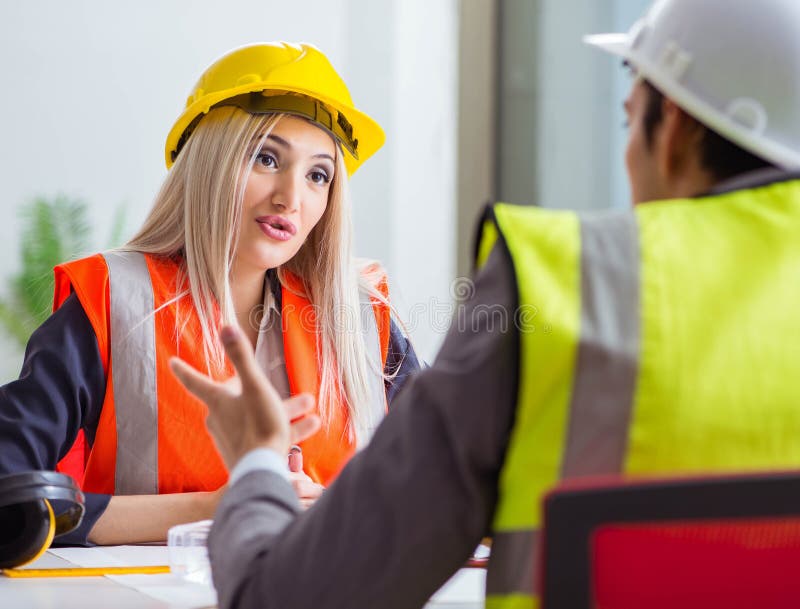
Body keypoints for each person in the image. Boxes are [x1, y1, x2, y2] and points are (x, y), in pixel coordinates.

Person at [171, 1, 800, 608]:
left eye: (628, 120)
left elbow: (291, 597)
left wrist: (257, 463)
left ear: (676, 134)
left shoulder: (563, 279)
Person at [0, 42, 419, 547]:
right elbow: (11, 494)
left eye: (318, 174)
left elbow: (447, 484)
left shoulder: (362, 318)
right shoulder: (113, 300)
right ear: (209, 163)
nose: (291, 196)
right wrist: (217, 507)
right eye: (267, 157)